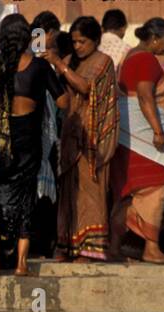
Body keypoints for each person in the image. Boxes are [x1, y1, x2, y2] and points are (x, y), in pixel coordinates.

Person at [0, 15, 68, 275]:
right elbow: (63, 103)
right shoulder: (39, 67)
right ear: (27, 37)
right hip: (29, 140)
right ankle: (21, 263)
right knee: (25, 198)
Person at [109, 16, 164, 263]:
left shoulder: (129, 57)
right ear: (155, 39)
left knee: (127, 192)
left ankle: (115, 246)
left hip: (128, 137)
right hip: (145, 139)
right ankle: (151, 247)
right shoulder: (145, 59)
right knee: (156, 188)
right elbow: (144, 96)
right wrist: (158, 131)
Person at [55, 16, 118, 262]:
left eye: (82, 41)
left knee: (90, 194)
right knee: (69, 193)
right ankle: (67, 245)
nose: (78, 46)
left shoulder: (103, 62)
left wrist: (60, 66)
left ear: (95, 40)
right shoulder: (70, 60)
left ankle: (90, 249)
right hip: (71, 135)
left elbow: (86, 87)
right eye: (74, 41)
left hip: (93, 140)